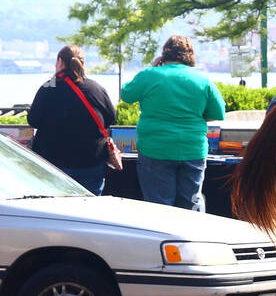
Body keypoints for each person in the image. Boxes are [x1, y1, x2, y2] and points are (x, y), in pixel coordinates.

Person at [120, 35, 226, 210]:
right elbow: (219, 113)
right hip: (192, 150)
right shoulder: (202, 80)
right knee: (191, 205)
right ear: (190, 55)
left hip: (155, 150)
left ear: (164, 55)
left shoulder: (150, 75)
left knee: (160, 209)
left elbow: (127, 94)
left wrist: (153, 69)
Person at [27, 44, 117, 194]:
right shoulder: (96, 88)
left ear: (60, 62)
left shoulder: (48, 87)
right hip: (91, 159)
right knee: (89, 208)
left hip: (54, 160)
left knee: (57, 208)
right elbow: (111, 118)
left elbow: (33, 120)